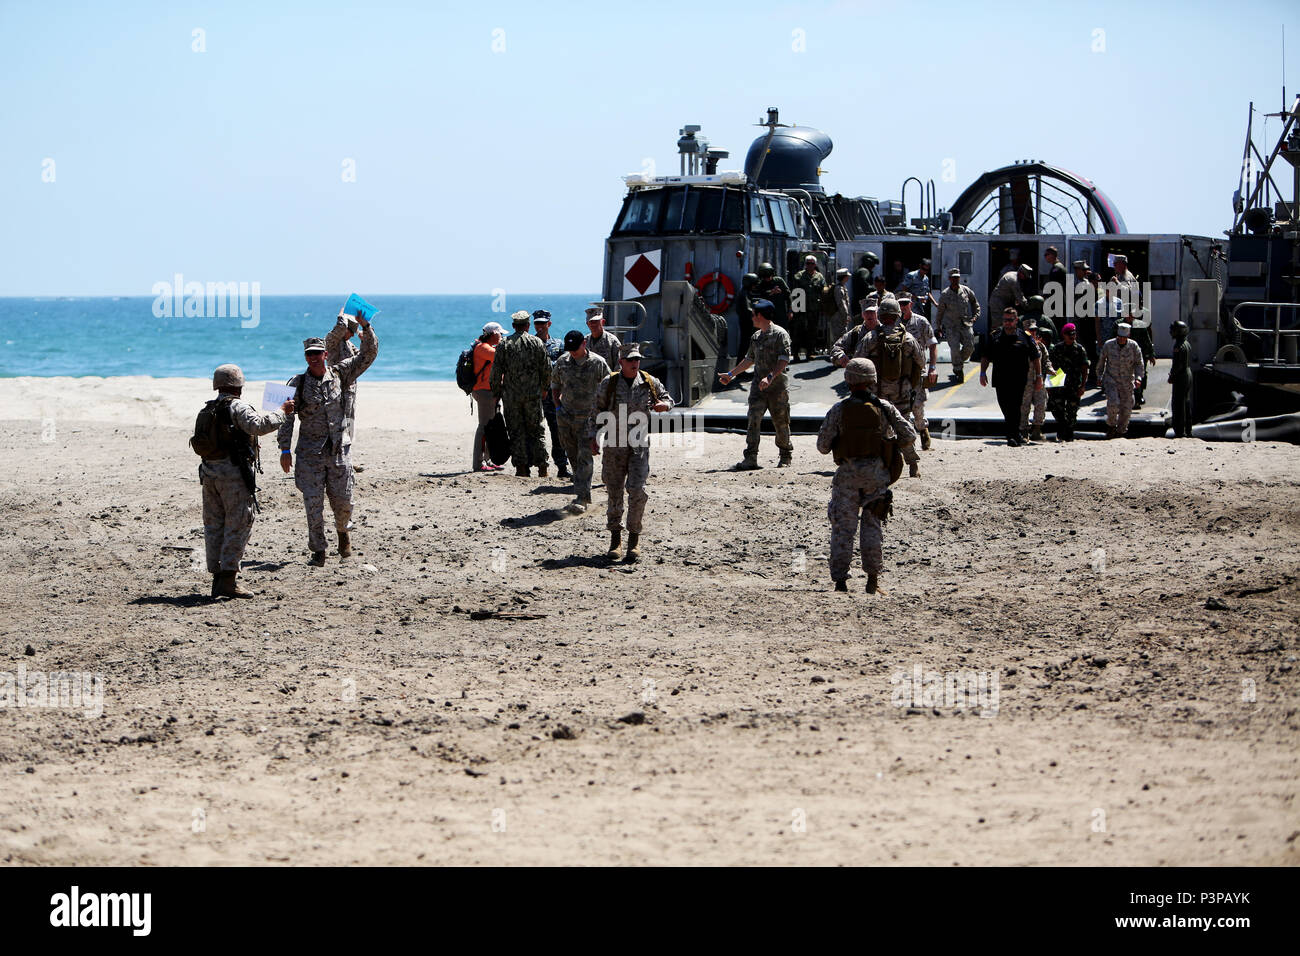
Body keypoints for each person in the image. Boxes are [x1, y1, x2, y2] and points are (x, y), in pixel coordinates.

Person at [278, 319, 378, 565]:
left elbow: (368, 355)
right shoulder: (295, 383)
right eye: (309, 355)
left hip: (338, 451)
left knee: (343, 500)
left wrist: (366, 328)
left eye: (317, 354)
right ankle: (318, 551)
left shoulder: (340, 373)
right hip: (309, 454)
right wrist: (284, 448)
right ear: (305, 357)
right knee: (313, 503)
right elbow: (284, 417)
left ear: (325, 354)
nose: (313, 358)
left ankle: (343, 534)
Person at [817, 357, 920, 594]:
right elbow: (909, 434)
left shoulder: (839, 409)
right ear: (872, 380)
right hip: (877, 475)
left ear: (849, 381)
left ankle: (840, 581)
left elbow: (823, 446)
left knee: (843, 528)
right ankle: (872, 580)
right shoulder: (884, 408)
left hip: (847, 476)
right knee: (873, 525)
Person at [197, 364, 293, 598]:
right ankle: (228, 579)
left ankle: (218, 577)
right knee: (238, 523)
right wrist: (283, 411)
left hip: (210, 473)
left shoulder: (208, 408)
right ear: (239, 385)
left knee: (214, 525)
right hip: (233, 474)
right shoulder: (237, 406)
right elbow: (259, 426)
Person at [590, 343, 674, 561]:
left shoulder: (648, 382)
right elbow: (596, 411)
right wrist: (592, 437)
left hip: (639, 446)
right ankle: (615, 540)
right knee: (614, 491)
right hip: (614, 446)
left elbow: (668, 399)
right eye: (630, 360)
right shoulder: (609, 383)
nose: (635, 363)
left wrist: (665, 405)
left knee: (637, 490)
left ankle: (634, 539)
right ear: (621, 362)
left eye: (637, 359)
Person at [718, 298, 794, 469]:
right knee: (753, 419)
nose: (751, 318)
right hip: (758, 388)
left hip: (777, 388)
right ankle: (751, 457)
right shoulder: (756, 337)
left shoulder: (780, 334)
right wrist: (731, 375)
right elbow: (748, 360)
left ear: (760, 315)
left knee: (781, 422)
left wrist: (770, 377)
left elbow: (784, 360)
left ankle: (785, 456)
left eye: (753, 315)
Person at [551, 329, 611, 513]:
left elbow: (609, 387)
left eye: (575, 349)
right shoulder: (563, 362)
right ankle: (582, 488)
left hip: (588, 420)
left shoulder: (598, 363)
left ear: (584, 344)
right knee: (572, 454)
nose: (572, 352)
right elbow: (555, 384)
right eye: (570, 349)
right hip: (566, 417)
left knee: (584, 457)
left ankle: (582, 497)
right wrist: (558, 407)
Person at [491, 310, 551, 477]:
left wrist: (496, 393)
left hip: (511, 396)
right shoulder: (537, 343)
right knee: (537, 430)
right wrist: (545, 388)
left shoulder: (504, 344)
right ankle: (542, 467)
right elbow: (546, 368)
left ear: (513, 326)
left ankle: (521, 467)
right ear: (528, 325)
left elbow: (496, 372)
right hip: (533, 394)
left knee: (516, 431)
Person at [979, 307, 1041, 446]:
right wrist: (983, 373)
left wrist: (1039, 376)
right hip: (1001, 379)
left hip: (1019, 379)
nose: (1007, 323)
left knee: (1015, 406)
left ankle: (1012, 435)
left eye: (1010, 320)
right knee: (1005, 406)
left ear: (1016, 320)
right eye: (1005, 320)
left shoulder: (1024, 336)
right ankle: (1015, 433)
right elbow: (985, 356)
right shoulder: (995, 335)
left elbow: (1035, 358)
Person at [324, 309, 364, 471]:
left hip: (350, 390)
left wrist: (365, 338)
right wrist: (342, 315)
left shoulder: (349, 344)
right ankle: (334, 459)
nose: (353, 335)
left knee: (349, 424)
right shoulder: (331, 341)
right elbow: (340, 328)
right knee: (336, 425)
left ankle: (347, 459)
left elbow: (363, 357)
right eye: (351, 331)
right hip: (335, 388)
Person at [897, 292, 938, 448]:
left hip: (917, 370)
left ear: (911, 304)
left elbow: (933, 344)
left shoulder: (921, 322)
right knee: (900, 405)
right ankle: (907, 440)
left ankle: (922, 428)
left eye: (905, 303)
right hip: (898, 371)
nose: (903, 307)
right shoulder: (892, 323)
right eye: (900, 304)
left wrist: (932, 368)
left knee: (917, 405)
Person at [533, 310, 570, 479]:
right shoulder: (529, 344)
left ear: (549, 324)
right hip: (533, 394)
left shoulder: (559, 344)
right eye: (537, 323)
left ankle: (562, 465)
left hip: (552, 395)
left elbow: (565, 368)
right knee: (534, 430)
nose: (539, 327)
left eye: (543, 323)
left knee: (557, 430)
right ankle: (539, 465)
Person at [1096, 321, 1144, 438]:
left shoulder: (1134, 346)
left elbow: (1139, 363)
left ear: (1128, 336)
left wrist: (1138, 378)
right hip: (1111, 380)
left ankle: (1121, 431)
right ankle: (1111, 426)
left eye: (1124, 337)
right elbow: (1101, 361)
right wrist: (1099, 376)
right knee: (1113, 403)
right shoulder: (1109, 345)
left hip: (1127, 381)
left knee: (1126, 408)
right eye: (1120, 337)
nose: (1121, 339)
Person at [934, 267, 980, 382]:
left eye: (957, 277)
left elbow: (975, 303)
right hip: (951, 325)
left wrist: (975, 316)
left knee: (970, 347)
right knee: (954, 348)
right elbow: (940, 312)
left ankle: (957, 362)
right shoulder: (945, 294)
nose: (955, 280)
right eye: (953, 278)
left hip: (965, 323)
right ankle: (958, 369)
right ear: (949, 279)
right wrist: (938, 327)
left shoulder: (966, 290)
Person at [471, 322, 504, 472]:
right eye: (500, 334)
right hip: (484, 392)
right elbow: (501, 357)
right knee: (483, 427)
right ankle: (478, 464)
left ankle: (488, 460)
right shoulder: (483, 348)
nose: (502, 336)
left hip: (489, 391)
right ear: (493, 334)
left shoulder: (487, 347)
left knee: (491, 427)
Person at [1048, 322, 1090, 441]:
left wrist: (1082, 386)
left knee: (1072, 411)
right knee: (1056, 408)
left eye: (1073, 334)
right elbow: (1051, 367)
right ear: (1063, 335)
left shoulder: (1080, 349)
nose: (1072, 336)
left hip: (1073, 383)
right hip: (1059, 381)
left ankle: (1069, 434)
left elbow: (1085, 368)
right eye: (1069, 334)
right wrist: (1049, 386)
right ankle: (1062, 428)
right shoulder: (1057, 348)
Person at [1019, 322, 1055, 442]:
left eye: (1035, 330)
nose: (1033, 333)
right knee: (1024, 407)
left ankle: (1037, 430)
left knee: (1041, 404)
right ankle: (1023, 431)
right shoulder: (1021, 345)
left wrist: (1050, 369)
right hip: (1025, 381)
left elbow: (1046, 360)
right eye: (1031, 330)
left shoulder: (1041, 346)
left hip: (1039, 381)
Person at [788, 254, 826, 362]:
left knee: (812, 331)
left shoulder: (819, 277)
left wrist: (823, 307)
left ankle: (810, 352)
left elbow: (823, 292)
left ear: (815, 265)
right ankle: (795, 354)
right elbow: (794, 293)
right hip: (800, 309)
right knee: (798, 331)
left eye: (812, 263)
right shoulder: (799, 276)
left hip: (814, 309)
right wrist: (792, 310)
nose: (809, 265)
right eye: (807, 263)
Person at [1168, 319, 1193, 438]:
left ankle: (1180, 431)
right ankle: (1188, 429)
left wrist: (1172, 376)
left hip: (1181, 376)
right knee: (1186, 403)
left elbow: (1178, 365)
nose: (1171, 332)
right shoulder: (1186, 343)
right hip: (1187, 374)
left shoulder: (1178, 345)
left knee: (1178, 404)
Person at [751, 262, 791, 330]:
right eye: (765, 276)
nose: (768, 278)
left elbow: (788, 296)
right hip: (766, 317)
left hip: (780, 315)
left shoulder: (779, 281)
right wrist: (771, 292)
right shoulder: (760, 285)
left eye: (769, 275)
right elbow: (757, 298)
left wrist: (790, 311)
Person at [735, 272, 759, 366]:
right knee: (745, 346)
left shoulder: (745, 292)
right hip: (747, 324)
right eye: (754, 284)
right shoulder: (744, 294)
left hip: (746, 322)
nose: (755, 286)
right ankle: (740, 369)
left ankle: (741, 368)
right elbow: (747, 309)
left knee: (746, 346)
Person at [850, 251, 880, 317]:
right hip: (863, 306)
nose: (874, 266)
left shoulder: (860, 270)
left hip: (858, 305)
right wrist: (877, 289)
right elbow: (865, 286)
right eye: (873, 264)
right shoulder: (864, 271)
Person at [831, 268, 853, 347]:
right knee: (839, 336)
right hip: (839, 317)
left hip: (840, 316)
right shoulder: (839, 289)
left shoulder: (842, 287)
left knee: (841, 335)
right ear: (844, 277)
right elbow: (841, 304)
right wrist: (846, 315)